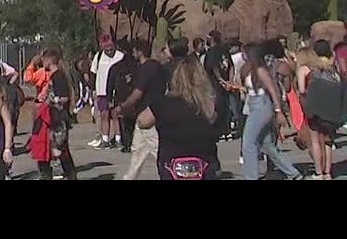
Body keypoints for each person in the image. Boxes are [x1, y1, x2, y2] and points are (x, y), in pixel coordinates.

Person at [137, 55, 225, 179]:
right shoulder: (210, 103)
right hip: (206, 163)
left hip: (171, 164)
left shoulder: (163, 103)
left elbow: (142, 122)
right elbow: (219, 126)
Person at [237, 43, 302, 180]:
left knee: (248, 143)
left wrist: (278, 111)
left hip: (262, 106)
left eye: (244, 52)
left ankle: (251, 177)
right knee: (267, 145)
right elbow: (252, 89)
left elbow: (272, 90)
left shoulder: (260, 70)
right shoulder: (249, 69)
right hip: (254, 104)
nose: (242, 55)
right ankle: (293, 173)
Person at [113, 40, 166, 179]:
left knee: (156, 148)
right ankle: (130, 177)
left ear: (140, 52)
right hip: (157, 111)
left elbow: (137, 94)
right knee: (138, 149)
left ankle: (169, 173)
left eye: (134, 51)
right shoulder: (158, 66)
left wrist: (122, 106)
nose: (133, 53)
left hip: (148, 114)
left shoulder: (144, 69)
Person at [29, 49, 77, 180]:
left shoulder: (58, 76)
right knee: (58, 151)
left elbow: (64, 98)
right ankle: (66, 175)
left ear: (49, 60)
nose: (42, 63)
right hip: (53, 119)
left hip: (58, 120)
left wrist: (50, 100)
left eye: (43, 60)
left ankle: (66, 175)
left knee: (59, 151)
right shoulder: (54, 76)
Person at [296, 39, 340, 180]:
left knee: (315, 140)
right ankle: (328, 172)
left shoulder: (304, 69)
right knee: (327, 140)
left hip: (313, 105)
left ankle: (318, 172)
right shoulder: (326, 67)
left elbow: (301, 90)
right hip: (328, 106)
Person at [89, 35, 125, 149]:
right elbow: (93, 73)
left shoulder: (120, 56)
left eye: (111, 48)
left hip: (115, 91)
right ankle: (105, 139)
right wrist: (93, 89)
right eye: (106, 49)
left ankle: (118, 139)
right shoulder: (98, 56)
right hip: (102, 91)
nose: (109, 51)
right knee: (104, 115)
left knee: (115, 115)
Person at [106, 40, 137, 153]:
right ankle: (129, 142)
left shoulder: (117, 67)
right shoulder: (134, 66)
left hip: (124, 97)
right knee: (128, 121)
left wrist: (109, 98)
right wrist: (109, 98)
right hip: (130, 96)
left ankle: (127, 143)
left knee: (125, 121)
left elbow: (109, 85)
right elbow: (110, 84)